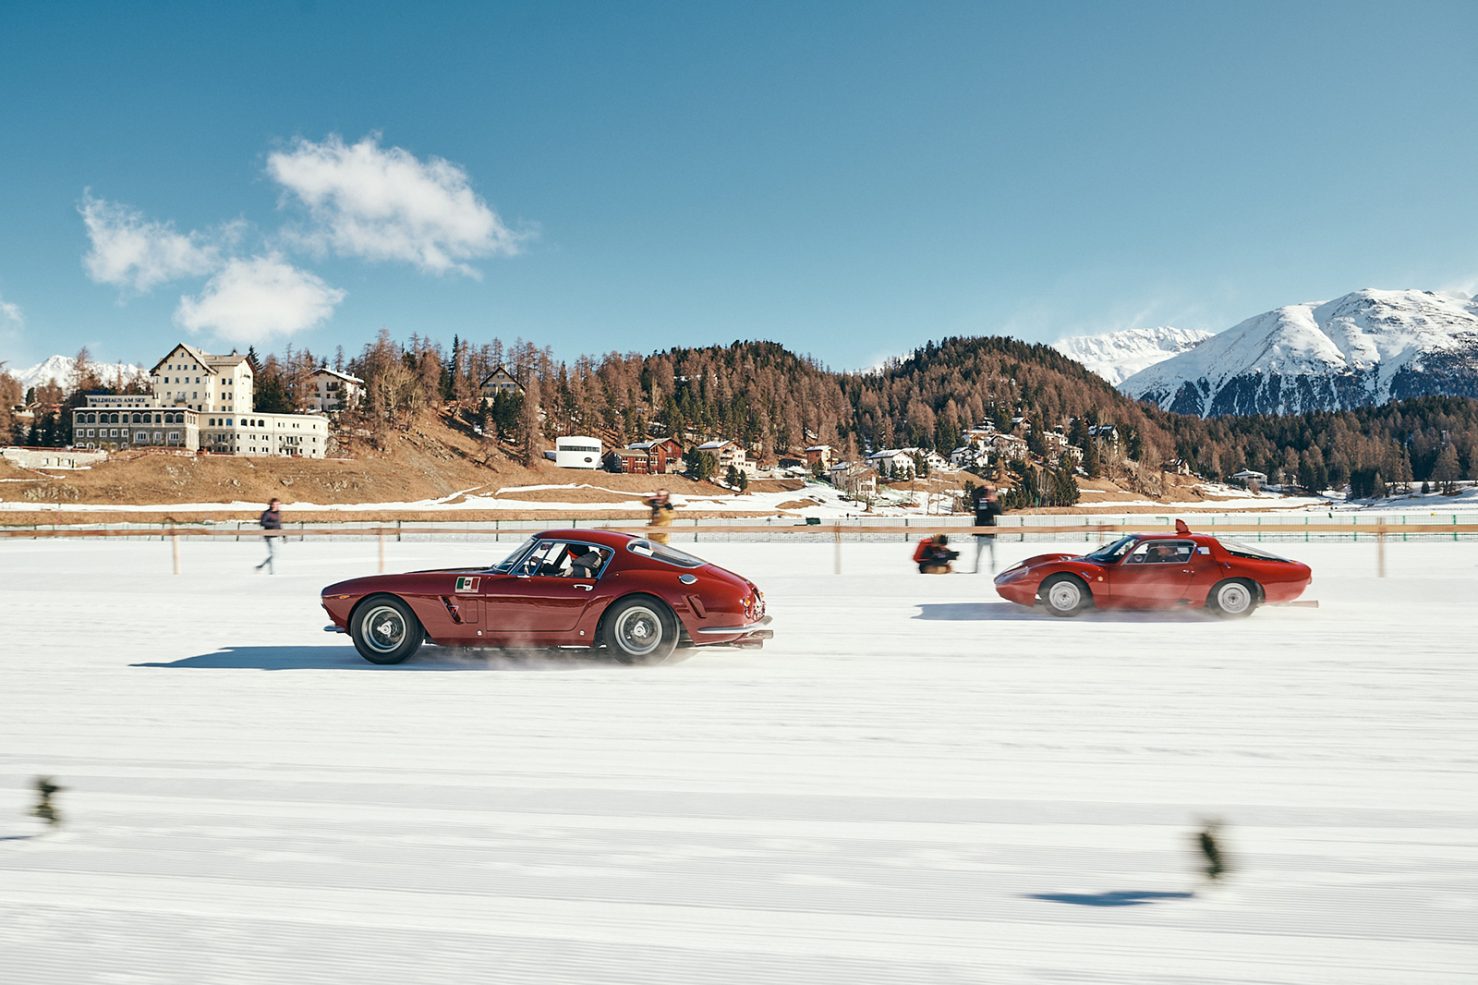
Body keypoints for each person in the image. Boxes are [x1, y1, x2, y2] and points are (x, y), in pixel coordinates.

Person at [972, 485, 1002, 573]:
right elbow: (974, 493)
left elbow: (999, 511)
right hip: (980, 532)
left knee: (992, 555)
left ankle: (993, 572)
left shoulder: (992, 504)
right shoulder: (979, 502)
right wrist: (984, 487)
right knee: (978, 555)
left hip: (990, 533)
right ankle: (976, 571)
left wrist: (993, 501)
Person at [256, 498, 283, 573]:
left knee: (275, 554)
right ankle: (271, 571)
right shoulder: (267, 513)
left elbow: (279, 524)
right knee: (274, 554)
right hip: (269, 535)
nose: (278, 506)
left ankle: (262, 566)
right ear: (271, 504)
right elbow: (262, 523)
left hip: (276, 535)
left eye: (278, 504)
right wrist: (272, 524)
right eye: (276, 504)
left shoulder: (277, 513)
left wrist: (283, 534)